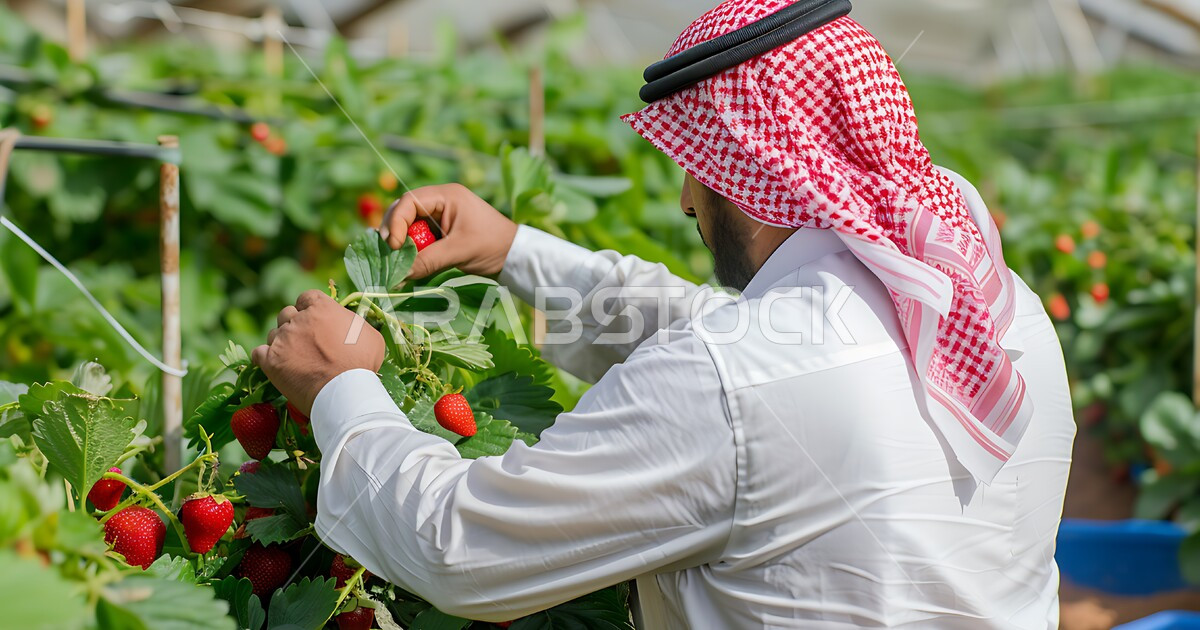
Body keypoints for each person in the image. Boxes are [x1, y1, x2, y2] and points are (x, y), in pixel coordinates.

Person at [251, 1, 1076, 627]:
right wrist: (513, 251)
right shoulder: (996, 314)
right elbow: (735, 343)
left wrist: (343, 391)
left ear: (754, 172)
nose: (686, 198)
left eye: (698, 166)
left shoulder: (736, 381)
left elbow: (457, 546)